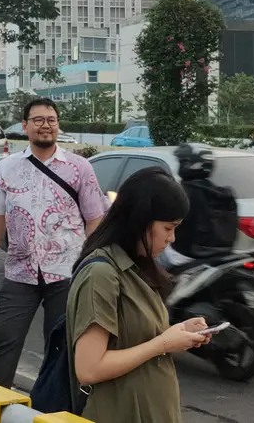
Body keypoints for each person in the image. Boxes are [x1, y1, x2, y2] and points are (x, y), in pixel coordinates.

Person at [0, 97, 110, 389]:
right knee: (3, 343)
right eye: (38, 120)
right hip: (20, 273)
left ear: (58, 125)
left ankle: (52, 413)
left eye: (51, 120)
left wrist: (89, 266)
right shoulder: (8, 167)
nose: (45, 125)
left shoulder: (80, 168)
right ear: (25, 126)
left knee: (60, 351)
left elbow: (95, 220)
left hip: (68, 274)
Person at [68, 168, 211, 422]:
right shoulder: (101, 275)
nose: (172, 238)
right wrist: (163, 344)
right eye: (168, 228)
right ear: (141, 221)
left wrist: (180, 332)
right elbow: (89, 369)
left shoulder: (138, 266)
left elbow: (135, 335)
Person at [159, 143, 238, 268]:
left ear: (188, 164)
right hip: (221, 256)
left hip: (185, 255)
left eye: (181, 161)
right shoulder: (222, 193)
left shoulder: (183, 192)